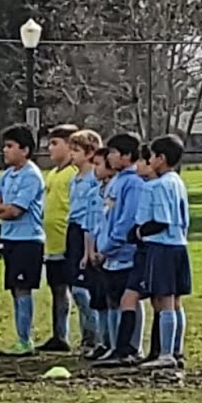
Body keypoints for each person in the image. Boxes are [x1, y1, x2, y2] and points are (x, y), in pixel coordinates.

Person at [132, 135, 193, 370]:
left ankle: (166, 353)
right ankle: (176, 350)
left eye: (152, 156)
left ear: (161, 158)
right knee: (176, 301)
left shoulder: (155, 186)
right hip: (180, 245)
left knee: (164, 300)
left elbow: (160, 221)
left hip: (162, 247)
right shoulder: (177, 181)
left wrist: (138, 232)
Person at [0, 124, 46, 356]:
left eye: (10, 146)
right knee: (14, 289)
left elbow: (15, 211)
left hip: (28, 240)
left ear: (26, 150)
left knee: (23, 289)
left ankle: (25, 340)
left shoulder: (31, 175)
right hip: (10, 238)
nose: (5, 151)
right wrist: (3, 209)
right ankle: (21, 337)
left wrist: (2, 210)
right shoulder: (7, 175)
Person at [93, 132, 146, 366]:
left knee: (130, 300)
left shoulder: (134, 183)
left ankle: (133, 347)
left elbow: (126, 220)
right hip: (108, 253)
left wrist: (110, 246)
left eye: (113, 153)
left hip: (123, 253)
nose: (110, 157)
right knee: (113, 299)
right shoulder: (116, 181)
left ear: (126, 155)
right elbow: (105, 216)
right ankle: (115, 345)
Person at [38, 124, 79, 353]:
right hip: (52, 243)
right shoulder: (53, 174)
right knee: (57, 289)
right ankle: (59, 335)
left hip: (68, 242)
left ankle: (91, 336)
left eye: (55, 143)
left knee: (79, 291)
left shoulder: (74, 174)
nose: (49, 148)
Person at [66, 129, 103, 352]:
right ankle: (86, 336)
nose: (72, 154)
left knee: (84, 288)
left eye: (76, 150)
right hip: (73, 230)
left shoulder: (93, 179)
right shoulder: (74, 179)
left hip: (87, 232)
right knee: (75, 287)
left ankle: (97, 335)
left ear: (90, 153)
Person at [83, 146, 115, 360]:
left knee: (113, 299)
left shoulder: (117, 190)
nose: (94, 169)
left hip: (111, 253)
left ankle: (115, 341)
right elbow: (89, 226)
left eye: (98, 164)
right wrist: (88, 253)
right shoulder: (93, 193)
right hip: (96, 253)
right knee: (98, 300)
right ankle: (103, 342)